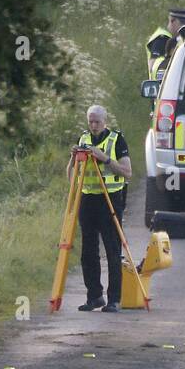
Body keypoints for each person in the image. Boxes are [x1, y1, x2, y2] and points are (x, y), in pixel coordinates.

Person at [67, 104, 132, 312]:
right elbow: (71, 176)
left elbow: (127, 172)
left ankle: (114, 299)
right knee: (88, 251)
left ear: (105, 122)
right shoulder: (83, 139)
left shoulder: (116, 140)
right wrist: (73, 157)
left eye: (97, 122)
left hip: (110, 199)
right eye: (90, 121)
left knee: (113, 249)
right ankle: (94, 296)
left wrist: (104, 158)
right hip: (87, 199)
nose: (94, 125)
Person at [145, 7, 185, 80]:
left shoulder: (166, 38)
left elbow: (152, 66)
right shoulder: (162, 38)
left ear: (173, 21)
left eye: (169, 21)